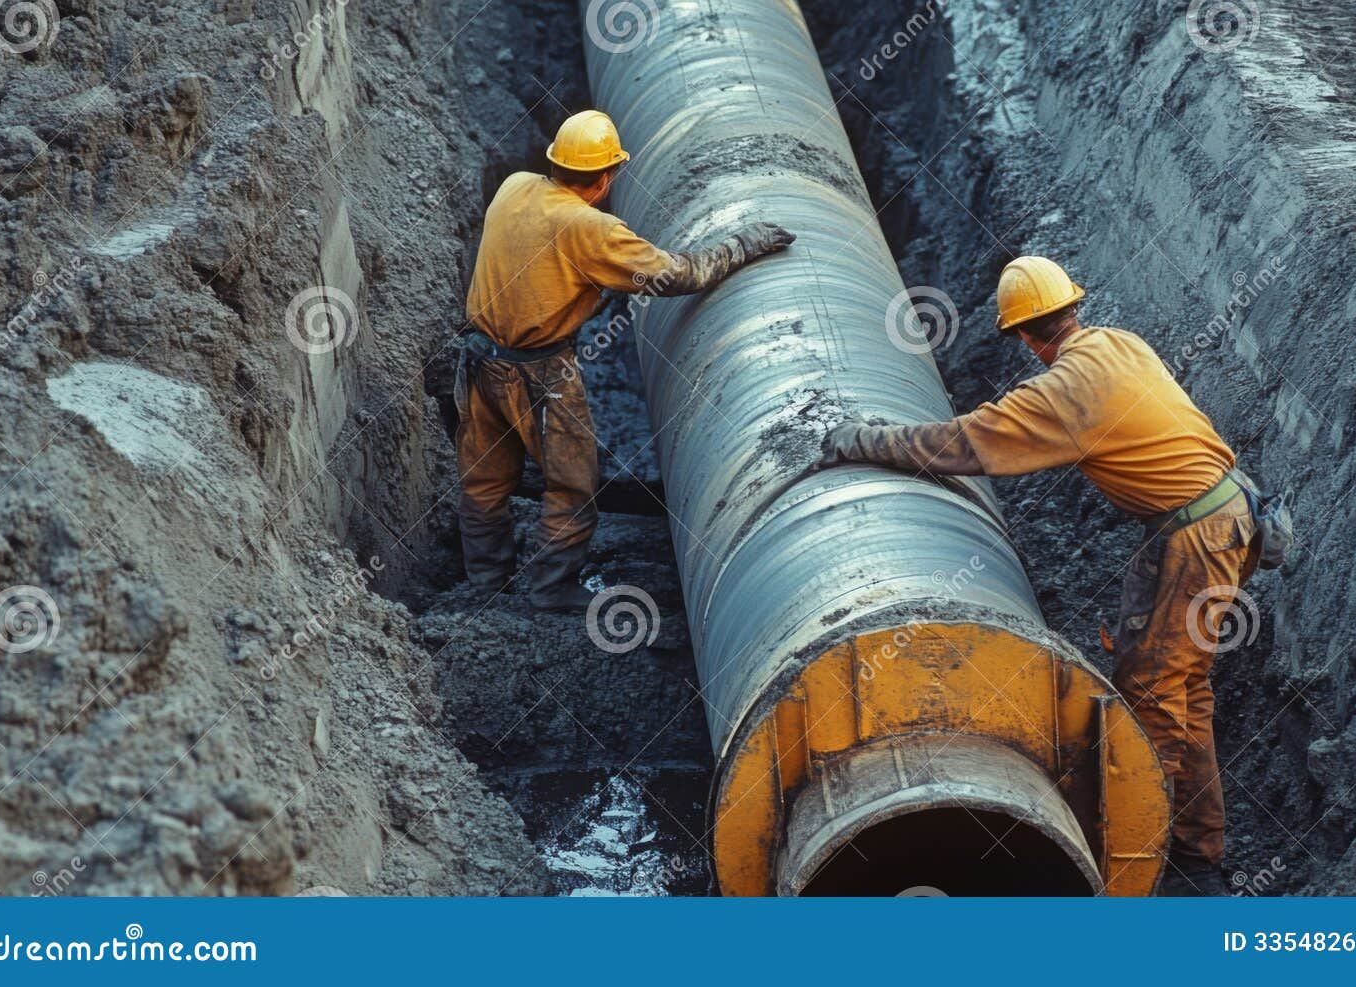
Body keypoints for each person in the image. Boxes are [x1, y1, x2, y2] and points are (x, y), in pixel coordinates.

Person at [818, 255, 1262, 895]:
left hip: (1194, 536)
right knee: (1185, 686)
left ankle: (1147, 849)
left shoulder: (1062, 394)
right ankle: (1197, 847)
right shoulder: (1118, 343)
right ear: (1074, 308)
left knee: (1152, 691)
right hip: (1229, 516)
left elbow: (959, 446)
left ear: (1023, 335)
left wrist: (861, 440)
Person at [457, 109, 794, 611]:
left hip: (478, 358)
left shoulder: (515, 186)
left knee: (485, 479)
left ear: (555, 161)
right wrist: (741, 245)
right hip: (539, 372)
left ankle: (486, 583)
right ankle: (551, 589)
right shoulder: (590, 228)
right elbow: (676, 275)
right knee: (572, 483)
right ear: (606, 177)